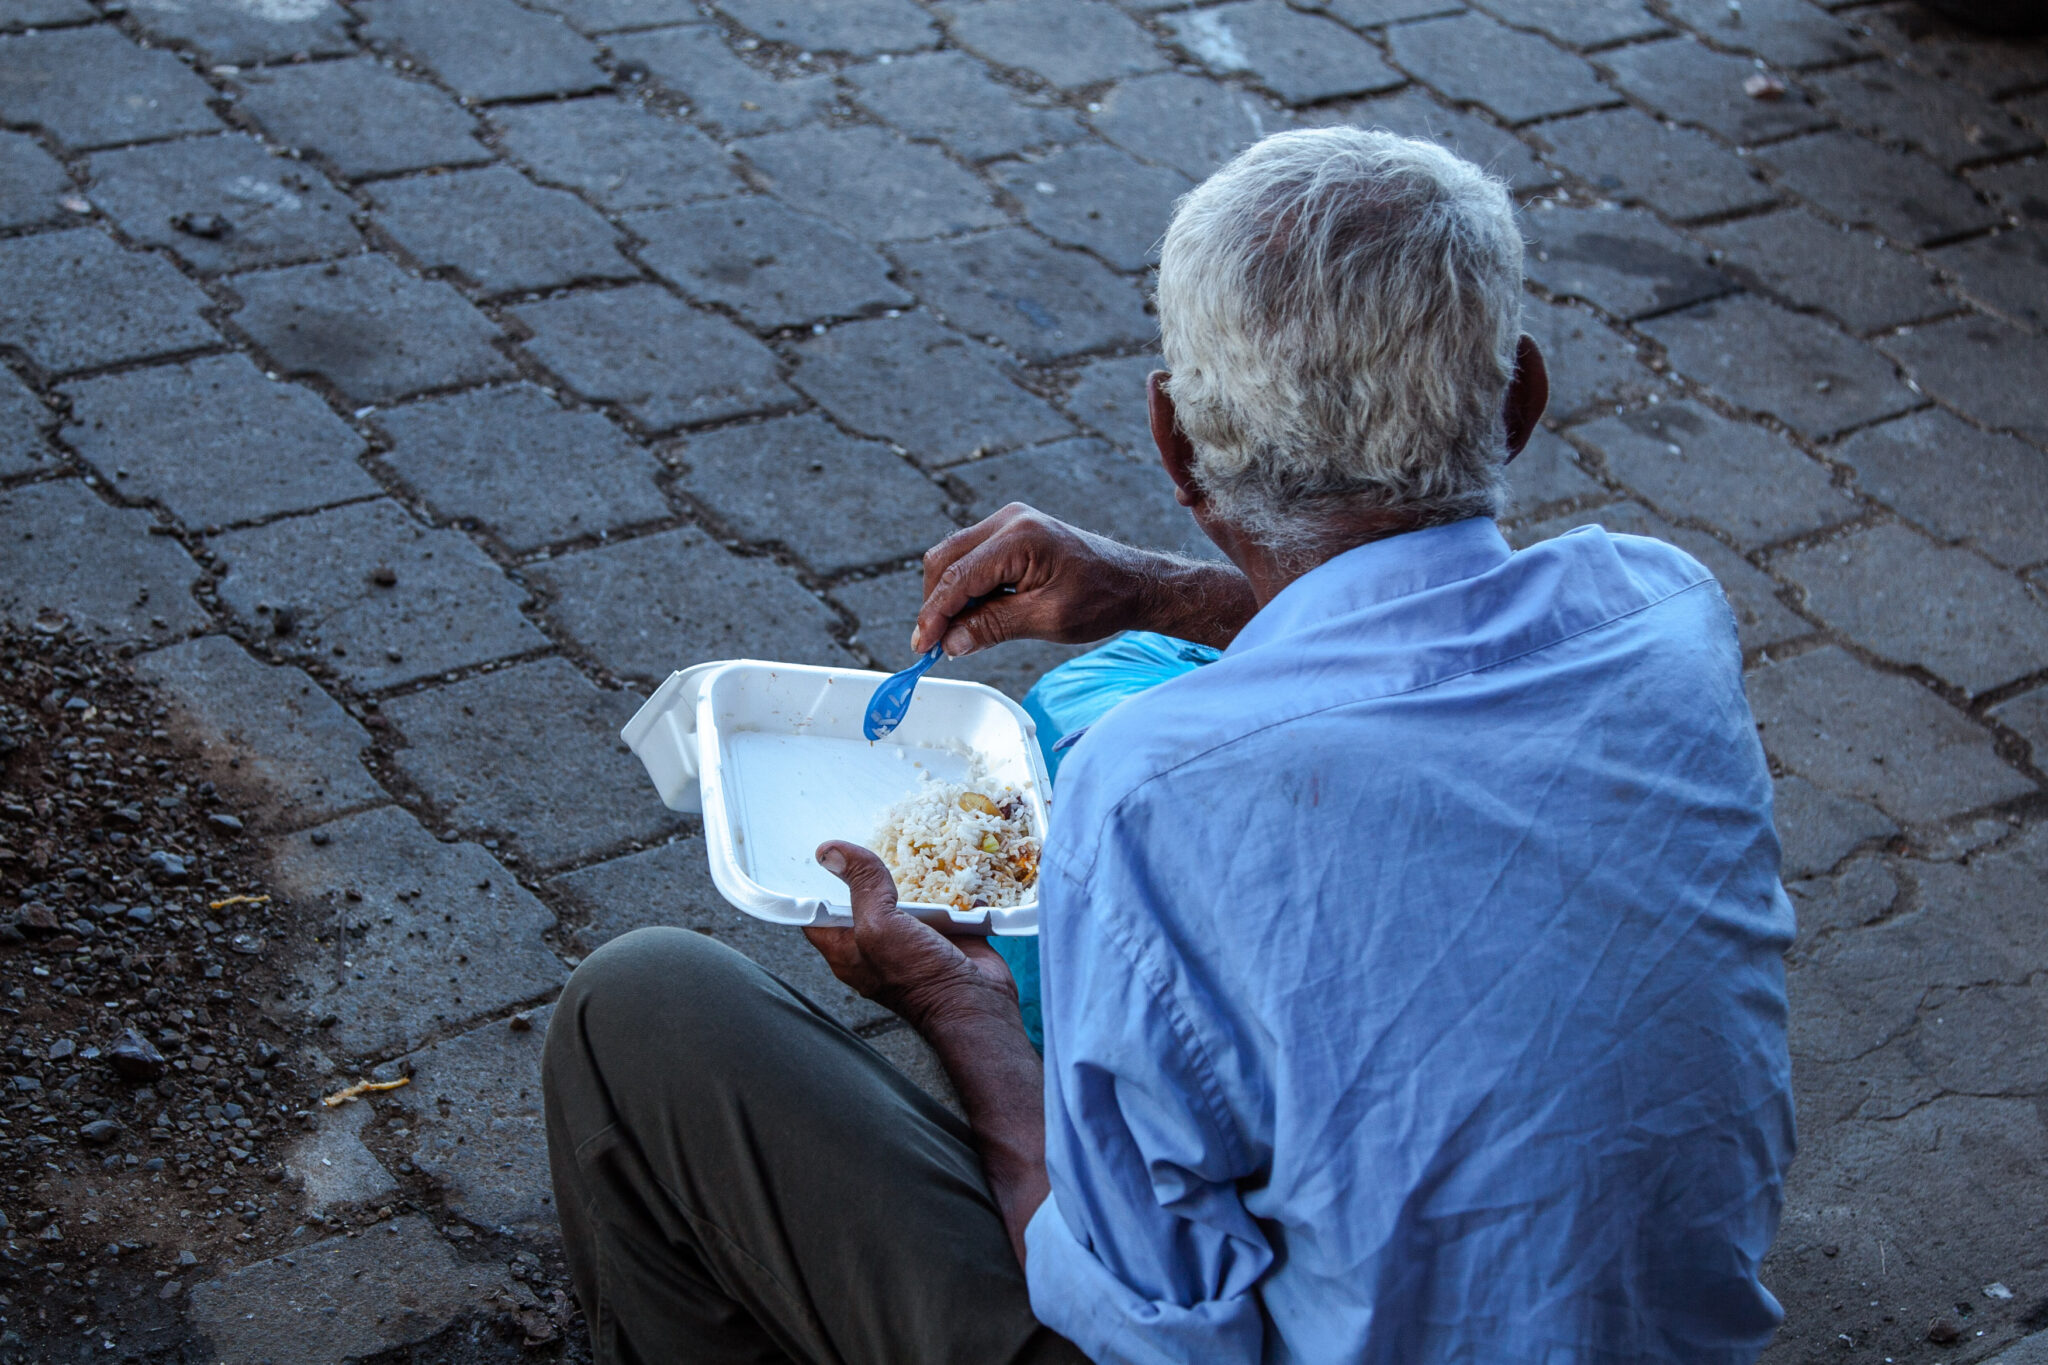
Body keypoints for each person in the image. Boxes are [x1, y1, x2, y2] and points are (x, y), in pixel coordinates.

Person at [543, 127, 1796, 1364]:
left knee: (639, 1008)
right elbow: (1407, 622)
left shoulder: (1156, 798)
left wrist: (951, 1004)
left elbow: (1159, 1328)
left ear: (1173, 443)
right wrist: (1147, 591)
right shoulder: (1664, 613)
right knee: (1126, 701)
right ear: (1519, 399)